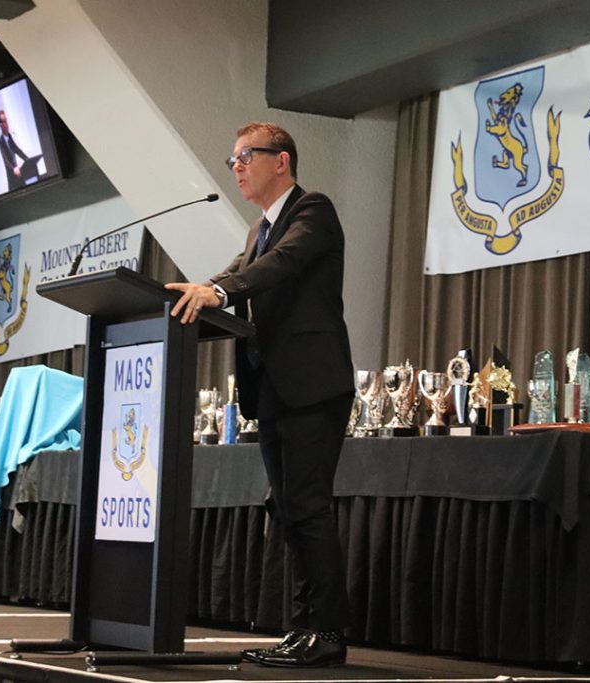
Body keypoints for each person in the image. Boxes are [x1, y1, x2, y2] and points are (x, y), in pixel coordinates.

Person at [166, 122, 354, 668]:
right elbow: (235, 271)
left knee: (309, 506)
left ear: (283, 161)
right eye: (234, 160)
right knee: (289, 507)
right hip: (272, 388)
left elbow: (279, 266)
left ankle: (330, 632)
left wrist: (219, 290)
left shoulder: (312, 211)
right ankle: (304, 628)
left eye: (247, 156)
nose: (238, 167)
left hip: (312, 384)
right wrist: (190, 295)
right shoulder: (257, 231)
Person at [0, 109, 28, 191]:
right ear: (0, 124)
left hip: (18, 172)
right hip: (11, 173)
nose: (4, 124)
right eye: (2, 122)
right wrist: (13, 168)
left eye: (5, 121)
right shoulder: (0, 141)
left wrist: (27, 159)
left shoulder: (9, 136)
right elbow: (5, 160)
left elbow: (17, 150)